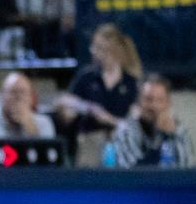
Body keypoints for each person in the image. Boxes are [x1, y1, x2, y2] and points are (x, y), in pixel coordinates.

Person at [56, 24, 142, 164]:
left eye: (100, 48)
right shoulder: (87, 77)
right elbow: (65, 100)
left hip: (122, 143)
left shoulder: (131, 83)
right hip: (90, 142)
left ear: (114, 50)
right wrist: (89, 108)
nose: (94, 52)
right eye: (94, 47)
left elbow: (135, 119)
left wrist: (109, 120)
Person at [108, 74, 191, 168]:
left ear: (168, 103)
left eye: (160, 100)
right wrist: (163, 138)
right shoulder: (125, 130)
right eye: (148, 99)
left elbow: (185, 167)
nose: (154, 106)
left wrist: (169, 135)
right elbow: (134, 173)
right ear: (138, 102)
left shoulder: (178, 130)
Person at [0, 72, 56, 140]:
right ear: (2, 95)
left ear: (31, 98)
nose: (19, 98)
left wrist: (31, 130)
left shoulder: (44, 123)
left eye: (23, 92)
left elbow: (51, 160)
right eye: (13, 92)